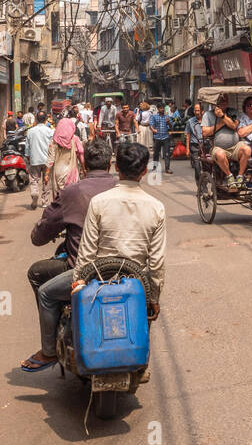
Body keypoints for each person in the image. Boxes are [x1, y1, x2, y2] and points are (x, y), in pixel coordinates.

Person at [23, 142, 165, 374]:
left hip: (95, 275)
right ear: (144, 171)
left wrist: (79, 281)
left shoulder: (99, 202)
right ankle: (141, 357)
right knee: (146, 307)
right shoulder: (156, 207)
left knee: (46, 293)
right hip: (135, 278)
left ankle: (49, 351)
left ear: (117, 167)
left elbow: (87, 250)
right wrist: (154, 297)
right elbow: (157, 262)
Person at [26, 139, 117, 304]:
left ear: (84, 165)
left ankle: (52, 321)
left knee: (36, 275)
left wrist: (39, 230)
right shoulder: (122, 189)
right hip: (122, 267)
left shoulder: (72, 192)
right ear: (110, 164)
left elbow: (41, 234)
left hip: (83, 270)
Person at [203, 93, 244, 189]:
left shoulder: (233, 112)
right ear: (216, 102)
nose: (223, 103)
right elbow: (205, 132)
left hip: (235, 147)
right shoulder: (208, 114)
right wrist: (222, 123)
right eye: (221, 101)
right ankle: (229, 176)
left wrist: (222, 116)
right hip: (217, 148)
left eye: (225, 100)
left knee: (247, 149)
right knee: (220, 154)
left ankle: (240, 176)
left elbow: (234, 126)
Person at [48, 117, 83, 202]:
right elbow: (81, 153)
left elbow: (50, 160)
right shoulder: (75, 139)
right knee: (72, 197)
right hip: (71, 172)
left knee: (59, 197)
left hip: (57, 173)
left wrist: (46, 174)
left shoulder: (54, 141)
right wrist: (84, 168)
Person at [25, 111, 54, 210]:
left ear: (36, 120)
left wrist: (29, 158)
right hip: (47, 160)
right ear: (46, 120)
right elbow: (52, 147)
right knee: (46, 180)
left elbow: (27, 148)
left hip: (35, 159)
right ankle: (45, 201)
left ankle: (34, 193)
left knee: (34, 179)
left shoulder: (30, 131)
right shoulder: (50, 131)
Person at [149, 102, 173, 173]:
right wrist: (153, 129)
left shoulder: (167, 117)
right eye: (160, 108)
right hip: (157, 137)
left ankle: (167, 168)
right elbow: (151, 125)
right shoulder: (154, 117)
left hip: (165, 137)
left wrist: (168, 122)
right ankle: (155, 167)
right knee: (156, 154)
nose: (162, 109)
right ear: (158, 109)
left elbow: (171, 127)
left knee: (167, 153)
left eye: (163, 108)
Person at [185, 102, 205, 179]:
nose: (196, 112)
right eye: (195, 110)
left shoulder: (206, 120)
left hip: (205, 146)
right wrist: (187, 149)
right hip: (194, 146)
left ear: (202, 111)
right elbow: (188, 135)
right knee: (197, 166)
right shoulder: (190, 121)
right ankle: (199, 183)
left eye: (198, 110)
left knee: (207, 165)